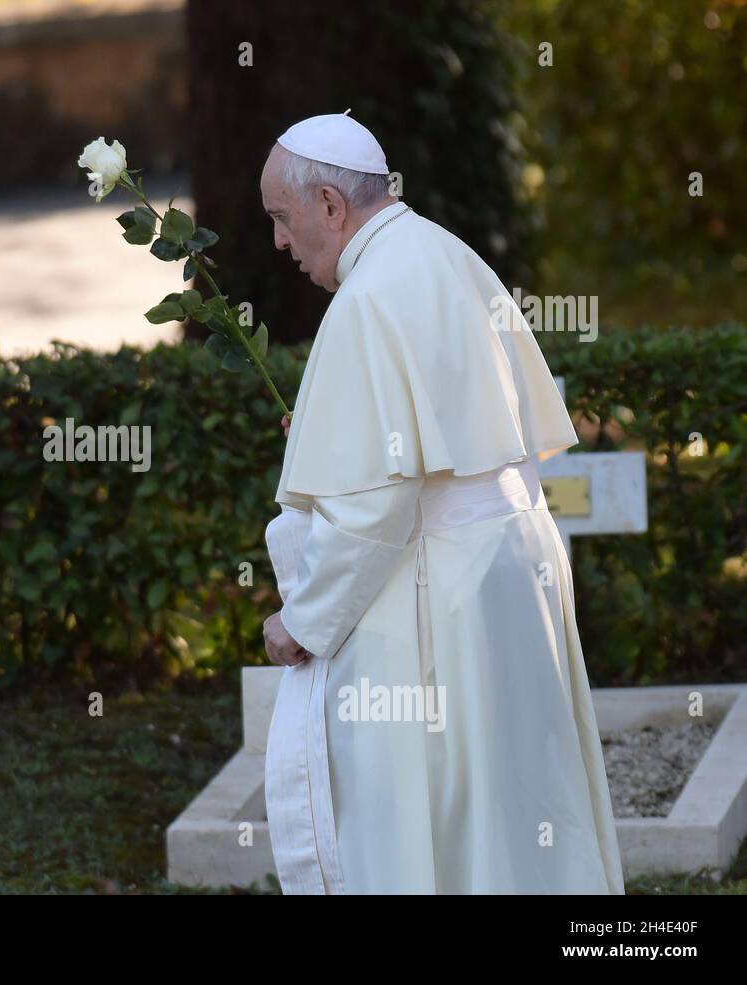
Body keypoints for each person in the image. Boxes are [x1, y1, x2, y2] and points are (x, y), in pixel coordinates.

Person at [257, 110, 624, 894]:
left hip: (444, 593)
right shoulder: (444, 252)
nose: (281, 243)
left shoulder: (365, 297)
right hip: (512, 567)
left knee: (443, 824)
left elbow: (371, 512)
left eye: (283, 221)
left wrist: (302, 621)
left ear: (329, 204)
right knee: (518, 813)